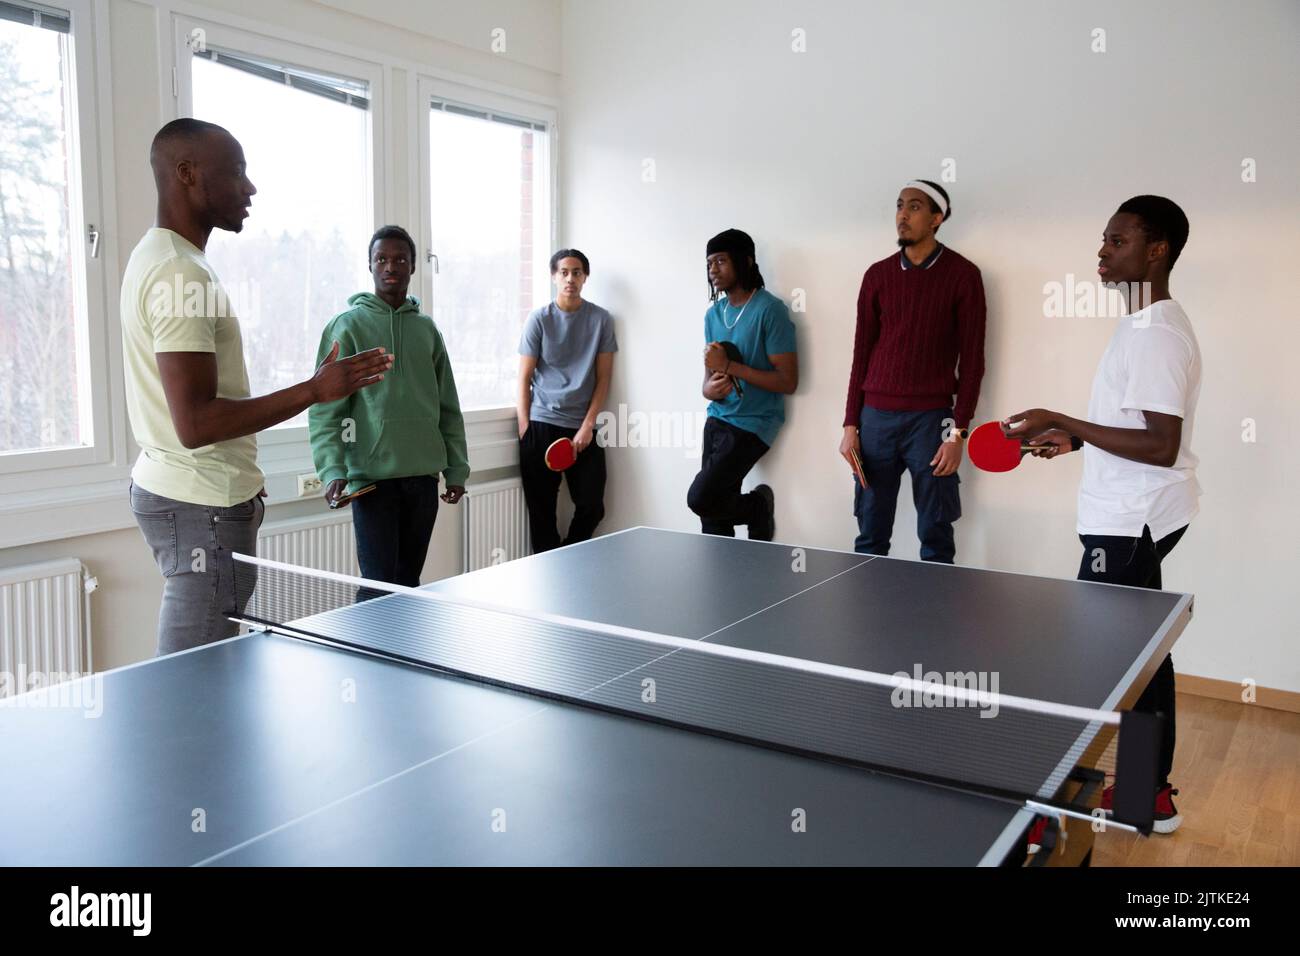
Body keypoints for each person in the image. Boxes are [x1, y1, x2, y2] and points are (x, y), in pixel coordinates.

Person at [122, 118, 392, 655]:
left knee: (206, 667)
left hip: (190, 490)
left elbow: (188, 407)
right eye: (237, 172)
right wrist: (315, 391)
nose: (250, 188)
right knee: (192, 679)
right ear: (187, 174)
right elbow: (195, 423)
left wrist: (238, 468)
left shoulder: (160, 257)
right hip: (201, 505)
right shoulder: (182, 275)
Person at [1007, 195, 1199, 835]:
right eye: (1104, 239)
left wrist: (1060, 416)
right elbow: (1132, 425)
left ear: (1157, 250)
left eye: (1117, 241)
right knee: (1143, 656)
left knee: (1095, 660)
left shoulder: (1157, 334)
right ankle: (1149, 796)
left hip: (1130, 520)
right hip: (1129, 513)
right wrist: (1078, 438)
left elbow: (1160, 445)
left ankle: (1051, 806)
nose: (1103, 250)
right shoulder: (1140, 325)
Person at [309, 225, 469, 585]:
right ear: (369, 266)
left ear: (413, 267)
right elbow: (325, 409)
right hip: (371, 482)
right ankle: (366, 645)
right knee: (377, 587)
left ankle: (405, 645)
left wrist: (457, 469)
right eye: (381, 258)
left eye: (400, 259)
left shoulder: (427, 330)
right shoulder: (346, 327)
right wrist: (332, 469)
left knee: (408, 585)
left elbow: (448, 407)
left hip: (423, 481)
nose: (390, 266)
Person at [838, 181, 986, 563]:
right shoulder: (877, 276)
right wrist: (850, 425)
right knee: (870, 532)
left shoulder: (963, 275)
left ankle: (938, 619)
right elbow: (861, 354)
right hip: (874, 421)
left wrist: (958, 434)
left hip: (932, 420)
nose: (903, 214)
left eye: (915, 207)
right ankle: (868, 614)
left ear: (937, 219)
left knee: (936, 533)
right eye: (900, 205)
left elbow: (972, 362)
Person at [688, 229, 797, 540]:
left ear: (745, 261)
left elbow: (788, 381)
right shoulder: (713, 314)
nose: (713, 270)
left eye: (721, 261)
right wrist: (707, 389)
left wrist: (732, 367)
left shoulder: (769, 310)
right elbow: (709, 376)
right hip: (717, 418)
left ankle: (756, 506)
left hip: (754, 423)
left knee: (701, 498)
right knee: (712, 525)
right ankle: (729, 585)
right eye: (709, 263)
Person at [516, 249, 616, 553]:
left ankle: (567, 559)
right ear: (553, 276)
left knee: (592, 507)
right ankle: (550, 581)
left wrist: (588, 427)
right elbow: (523, 377)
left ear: (585, 277)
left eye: (576, 272)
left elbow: (603, 379)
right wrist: (525, 429)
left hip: (582, 430)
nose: (570, 278)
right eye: (563, 272)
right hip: (541, 425)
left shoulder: (601, 320)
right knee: (542, 514)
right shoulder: (539, 319)